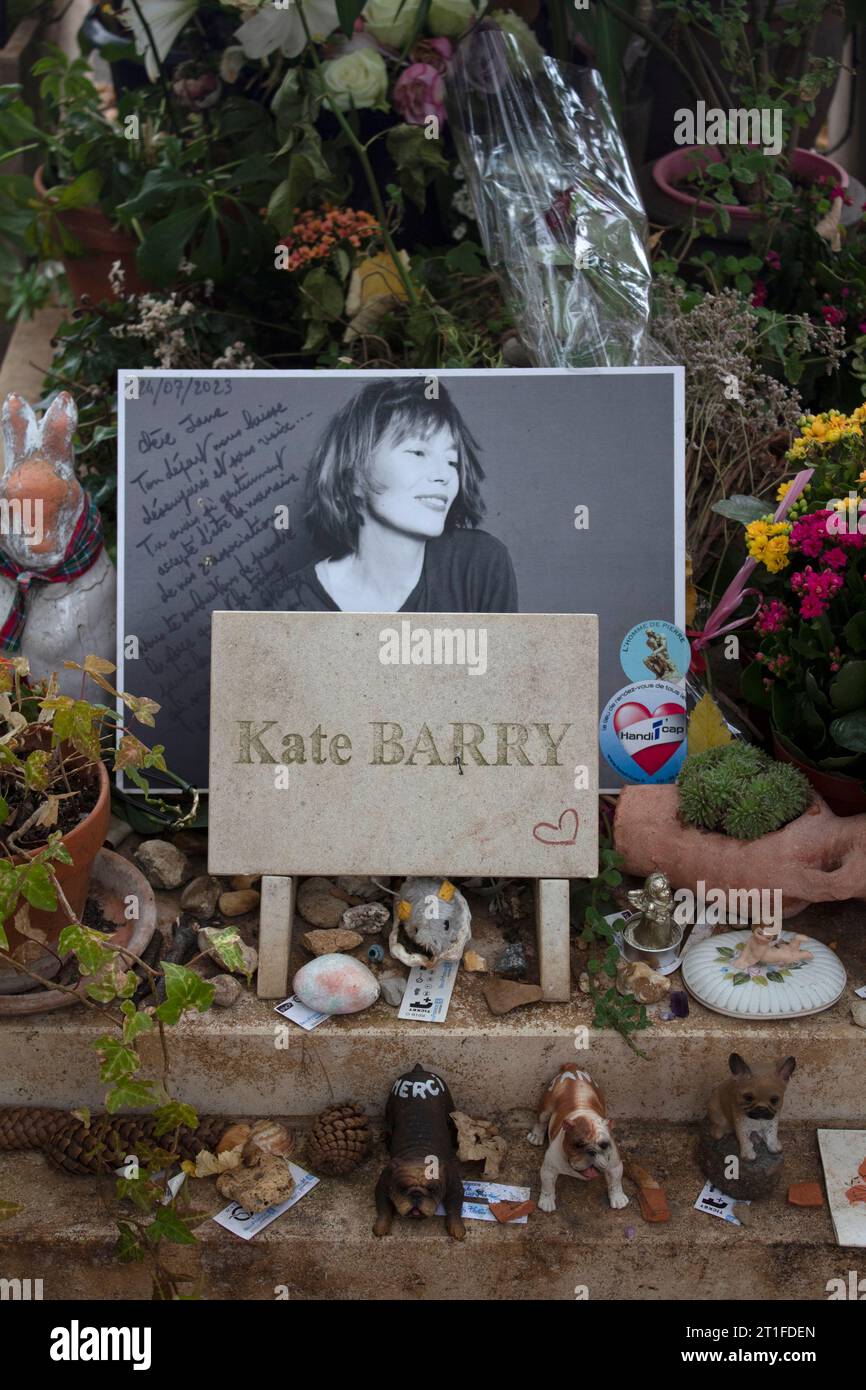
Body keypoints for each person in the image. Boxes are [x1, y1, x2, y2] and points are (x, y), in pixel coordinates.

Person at [283, 377, 517, 612]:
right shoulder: (290, 602)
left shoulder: (479, 564)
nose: (444, 474)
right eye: (417, 452)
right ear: (355, 476)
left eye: (451, 461)